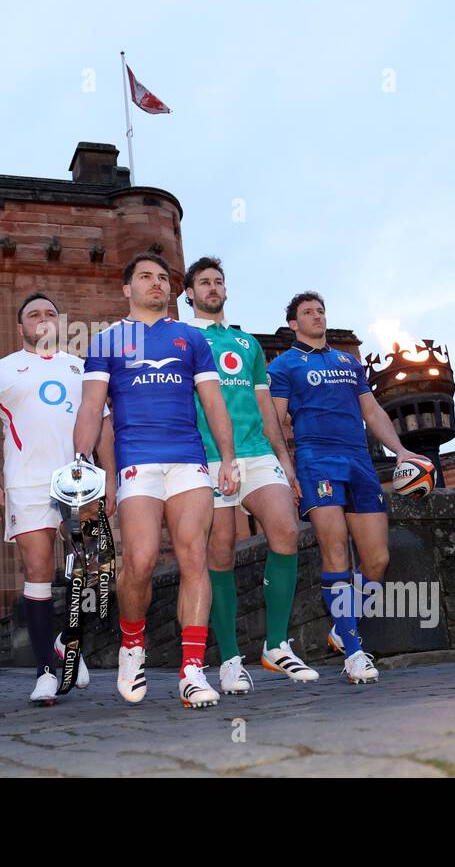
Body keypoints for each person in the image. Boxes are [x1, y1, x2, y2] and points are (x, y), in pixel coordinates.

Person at [73, 252, 238, 709]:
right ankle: (132, 645)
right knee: (140, 561)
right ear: (127, 289)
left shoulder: (189, 338)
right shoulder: (107, 341)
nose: (156, 284)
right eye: (145, 277)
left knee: (193, 558)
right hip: (136, 462)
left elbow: (213, 402)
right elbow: (91, 408)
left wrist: (227, 458)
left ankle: (191, 669)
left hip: (188, 459)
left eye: (163, 278)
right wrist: (82, 464)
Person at [268, 291, 422, 684]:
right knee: (334, 548)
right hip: (316, 461)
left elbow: (371, 411)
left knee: (377, 560)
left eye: (320, 311)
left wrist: (402, 451)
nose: (317, 316)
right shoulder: (284, 365)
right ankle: (354, 653)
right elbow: (276, 421)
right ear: (293, 324)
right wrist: (287, 470)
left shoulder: (348, 362)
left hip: (359, 461)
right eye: (308, 312)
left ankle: (342, 625)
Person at [183, 257, 318, 693]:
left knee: (285, 530)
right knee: (220, 552)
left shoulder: (247, 344)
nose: (213, 287)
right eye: (204, 282)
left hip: (258, 453)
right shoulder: (183, 340)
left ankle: (275, 644)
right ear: (189, 294)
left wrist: (286, 461)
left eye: (218, 281)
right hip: (208, 457)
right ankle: (227, 660)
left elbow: (266, 408)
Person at [0, 292, 116, 705]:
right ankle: (45, 670)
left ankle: (65, 639)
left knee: (99, 569)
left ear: (60, 322)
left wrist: (110, 478)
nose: (42, 319)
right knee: (38, 568)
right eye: (33, 314)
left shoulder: (82, 367)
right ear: (20, 325)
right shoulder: (2, 371)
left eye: (49, 314)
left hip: (80, 481)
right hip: (26, 483)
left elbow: (105, 426)